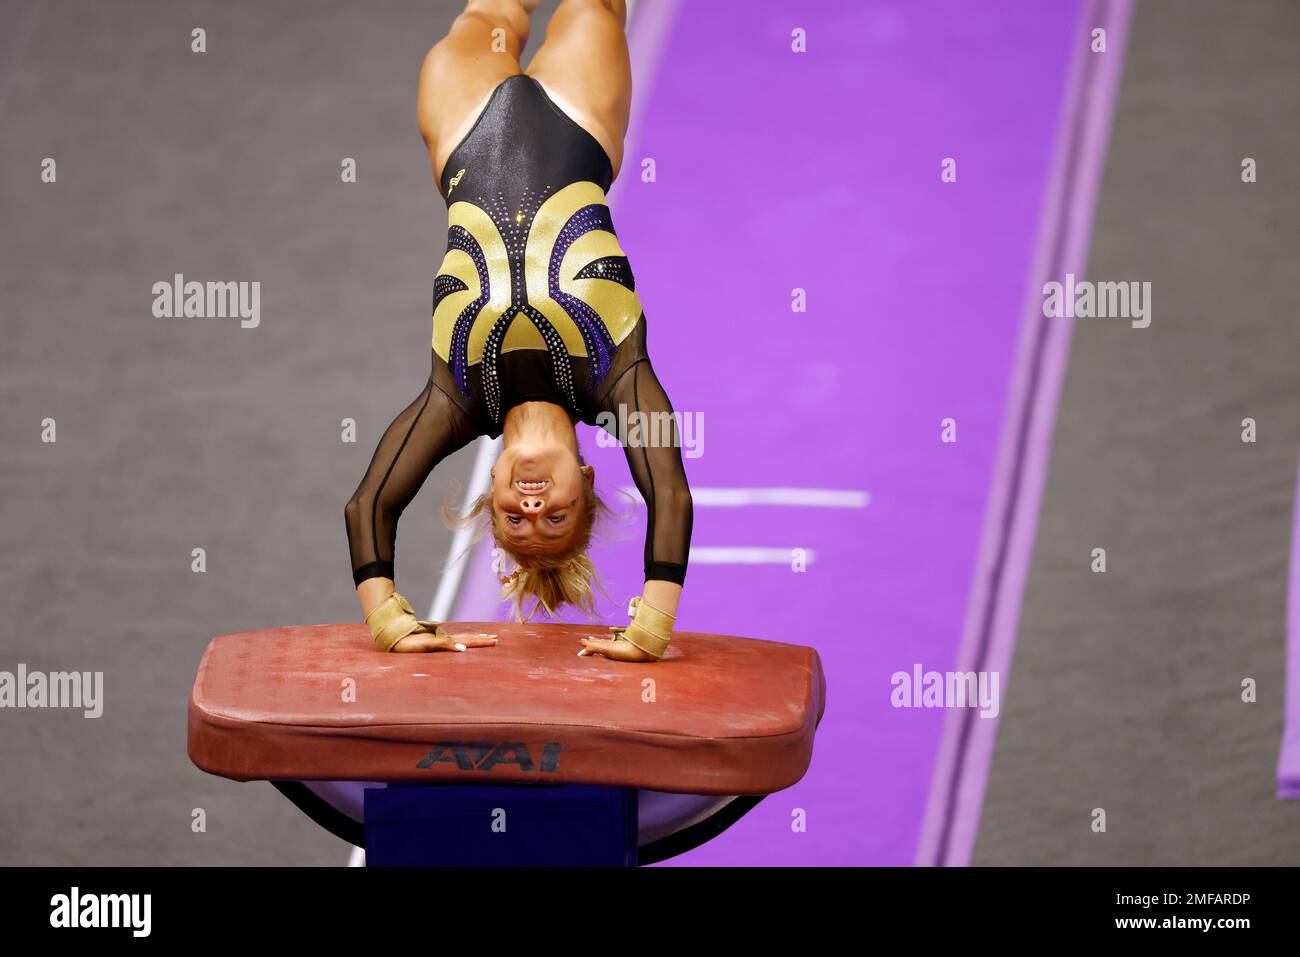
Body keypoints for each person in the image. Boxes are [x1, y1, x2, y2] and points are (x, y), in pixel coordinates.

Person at [344, 0, 692, 661]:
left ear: (492, 487)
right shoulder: (617, 380)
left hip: (465, 126)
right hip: (578, 122)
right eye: (556, 517)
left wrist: (389, 620)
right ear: (587, 483)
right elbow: (669, 491)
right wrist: (650, 627)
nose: (532, 507)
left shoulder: (456, 399)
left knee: (494, 10)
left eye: (514, 518)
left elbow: (368, 505)